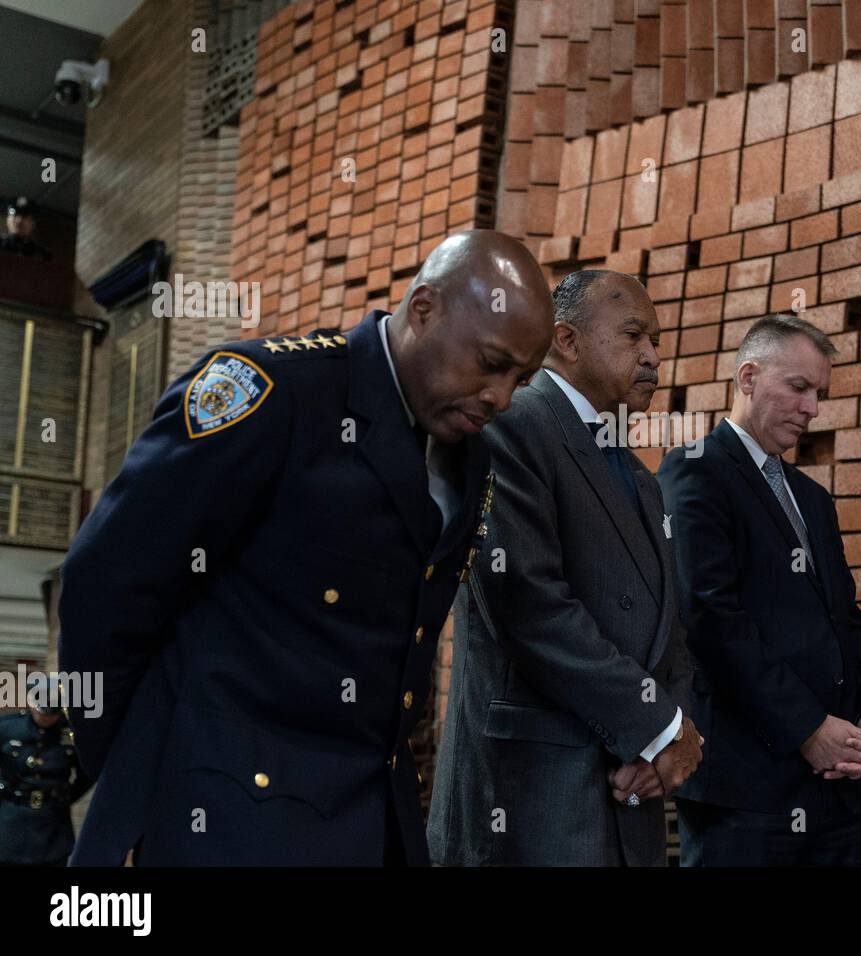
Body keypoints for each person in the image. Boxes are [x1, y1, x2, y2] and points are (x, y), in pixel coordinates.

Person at [58, 230, 555, 865]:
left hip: (371, 824)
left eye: (522, 377)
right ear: (424, 307)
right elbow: (108, 584)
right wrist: (141, 772)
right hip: (227, 822)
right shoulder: (274, 394)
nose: (502, 397)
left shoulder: (472, 458)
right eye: (491, 363)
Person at [427, 269, 701, 866]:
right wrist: (655, 726)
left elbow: (669, 630)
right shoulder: (514, 425)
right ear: (567, 341)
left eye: (656, 339)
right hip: (533, 797)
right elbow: (527, 603)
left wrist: (672, 732)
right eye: (633, 336)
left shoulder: (642, 480)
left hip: (628, 794)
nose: (653, 356)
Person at [657, 313, 861, 867]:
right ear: (747, 377)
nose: (812, 408)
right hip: (745, 790)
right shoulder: (695, 472)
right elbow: (712, 621)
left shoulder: (812, 497)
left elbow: (846, 620)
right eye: (799, 387)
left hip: (833, 784)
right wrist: (808, 729)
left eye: (820, 394)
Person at [0, 679, 91, 866]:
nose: (45, 717)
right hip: (10, 819)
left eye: (52, 713)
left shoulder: (73, 736)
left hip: (52, 824)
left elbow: (87, 774)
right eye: (41, 710)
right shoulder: (8, 728)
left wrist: (64, 797)